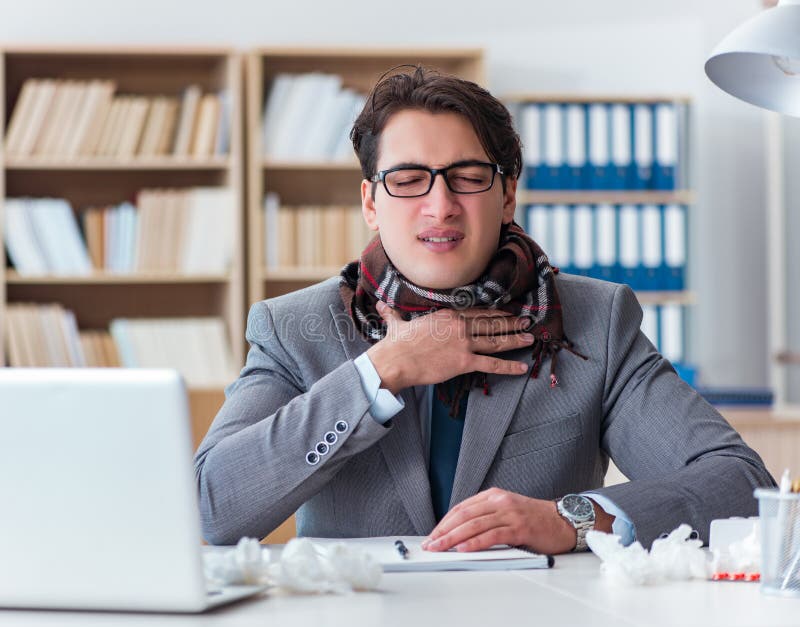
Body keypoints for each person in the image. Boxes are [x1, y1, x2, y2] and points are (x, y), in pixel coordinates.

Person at [194, 66, 775, 554]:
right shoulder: (297, 327)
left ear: (507, 194)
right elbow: (209, 509)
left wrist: (573, 518)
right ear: (371, 201)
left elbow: (741, 486)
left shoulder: (592, 321)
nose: (440, 205)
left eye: (468, 177)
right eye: (409, 179)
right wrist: (380, 372)